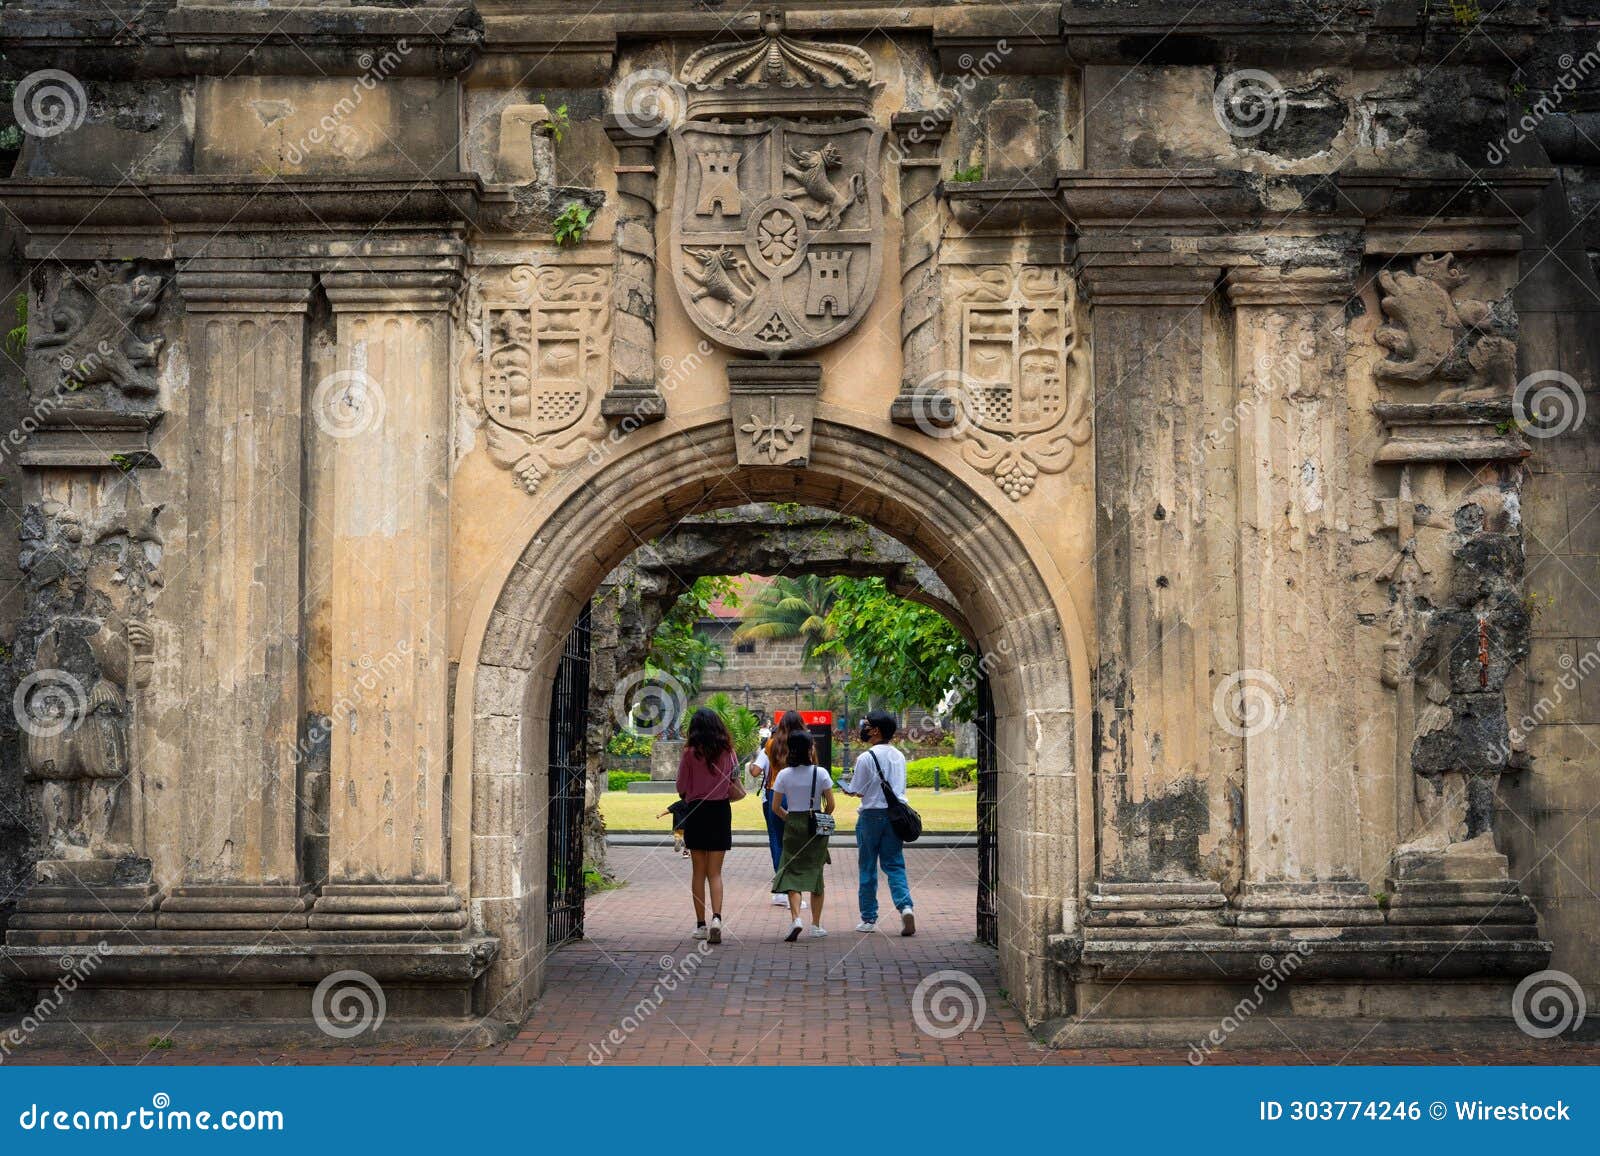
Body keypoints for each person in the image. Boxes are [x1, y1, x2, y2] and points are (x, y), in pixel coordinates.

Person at [842, 710, 914, 936]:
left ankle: (869, 918)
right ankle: (906, 907)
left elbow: (857, 789)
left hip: (871, 816)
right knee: (894, 865)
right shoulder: (899, 756)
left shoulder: (866, 757)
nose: (864, 727)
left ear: (877, 730)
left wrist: (848, 789)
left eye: (868, 724)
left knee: (868, 867)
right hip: (895, 816)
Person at [675, 706, 738, 944]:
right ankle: (717, 919)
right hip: (720, 810)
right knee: (716, 872)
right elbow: (734, 778)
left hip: (696, 811)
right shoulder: (728, 751)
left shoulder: (689, 753)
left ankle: (701, 924)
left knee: (698, 872)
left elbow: (680, 785)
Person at [769, 730, 835, 942]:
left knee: (792, 871)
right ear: (810, 749)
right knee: (816, 873)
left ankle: (796, 919)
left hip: (793, 823)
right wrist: (822, 818)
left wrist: (789, 818)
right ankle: (816, 925)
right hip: (815, 822)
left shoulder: (784, 775)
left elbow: (775, 807)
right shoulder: (821, 773)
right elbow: (831, 804)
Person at [750, 711, 811, 906]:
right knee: (797, 840)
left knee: (777, 839)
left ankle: (782, 888)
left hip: (776, 792)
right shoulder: (807, 743)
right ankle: (793, 888)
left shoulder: (771, 743)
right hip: (800, 793)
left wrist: (753, 759)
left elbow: (756, 771)